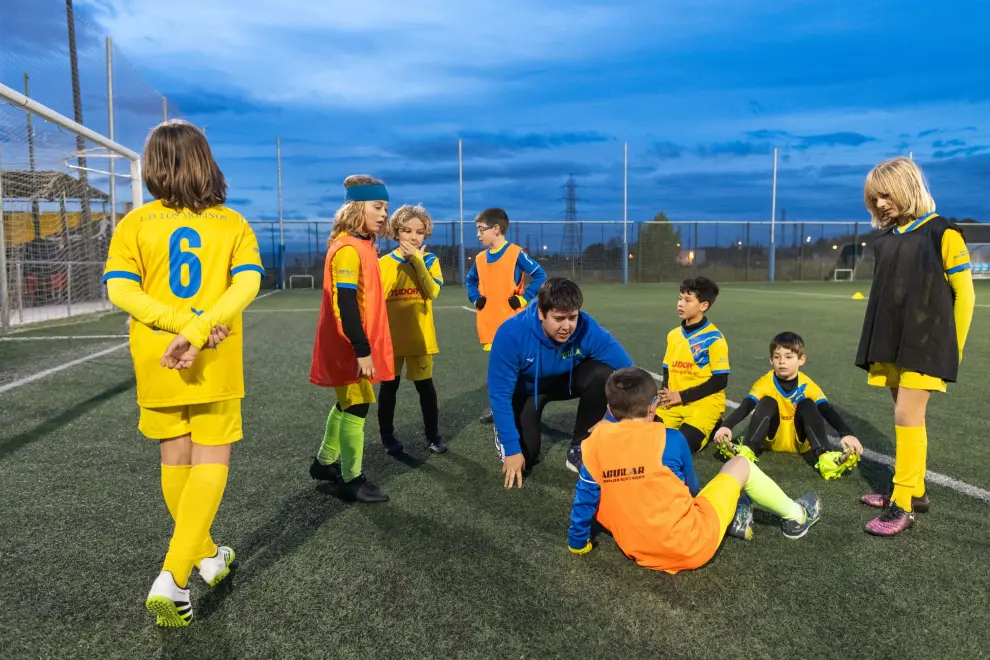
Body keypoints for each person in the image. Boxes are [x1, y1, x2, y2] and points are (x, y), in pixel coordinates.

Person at [103, 120, 264, 627]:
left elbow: (120, 290)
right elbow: (247, 285)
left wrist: (177, 326)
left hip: (157, 354)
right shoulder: (232, 223)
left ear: (152, 166)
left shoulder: (135, 223)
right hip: (213, 353)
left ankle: (208, 556)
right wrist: (199, 329)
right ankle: (172, 578)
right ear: (205, 162)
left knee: (175, 457)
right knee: (211, 455)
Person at [567, 368, 821, 573]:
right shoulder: (671, 439)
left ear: (609, 409)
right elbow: (692, 489)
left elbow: (584, 499)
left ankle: (733, 514)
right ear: (654, 406)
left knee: (605, 489)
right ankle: (798, 516)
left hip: (635, 547)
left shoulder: (593, 444)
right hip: (692, 545)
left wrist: (578, 543)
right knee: (740, 465)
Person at [855, 157, 975, 536]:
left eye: (886, 195)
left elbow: (965, 295)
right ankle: (915, 490)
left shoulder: (943, 232)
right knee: (908, 417)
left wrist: (953, 349)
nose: (880, 204)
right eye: (874, 199)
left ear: (907, 188)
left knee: (907, 416)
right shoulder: (886, 240)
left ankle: (903, 504)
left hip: (928, 344)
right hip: (894, 343)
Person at [487, 277, 633, 486]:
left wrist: (617, 416)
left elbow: (629, 372)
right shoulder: (511, 334)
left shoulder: (587, 328)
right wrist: (511, 449)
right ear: (541, 312)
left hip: (564, 382)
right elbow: (499, 395)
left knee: (603, 373)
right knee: (526, 457)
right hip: (527, 392)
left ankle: (580, 448)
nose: (567, 326)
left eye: (572, 317)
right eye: (559, 318)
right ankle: (505, 430)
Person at [309, 175, 394, 504]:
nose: (384, 214)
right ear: (357, 208)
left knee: (347, 403)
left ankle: (323, 463)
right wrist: (361, 349)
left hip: (352, 342)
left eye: (385, 208)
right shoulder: (348, 248)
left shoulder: (362, 244)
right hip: (349, 344)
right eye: (378, 206)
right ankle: (351, 480)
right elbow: (345, 303)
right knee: (357, 407)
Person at [713, 331, 864, 479]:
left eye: (789, 357)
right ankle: (747, 452)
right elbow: (747, 405)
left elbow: (826, 410)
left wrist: (847, 433)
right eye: (776, 357)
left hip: (801, 443)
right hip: (772, 441)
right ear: (771, 360)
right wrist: (726, 426)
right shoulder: (764, 382)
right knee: (767, 401)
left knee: (808, 404)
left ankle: (825, 457)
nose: (782, 361)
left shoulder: (808, 385)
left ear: (801, 360)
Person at [465, 208, 546, 423]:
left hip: (513, 323)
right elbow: (470, 281)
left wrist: (524, 298)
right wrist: (475, 298)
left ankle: (525, 409)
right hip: (490, 324)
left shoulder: (515, 253)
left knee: (519, 369)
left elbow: (540, 275)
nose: (478, 234)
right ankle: (500, 410)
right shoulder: (480, 258)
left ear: (496, 229)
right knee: (498, 370)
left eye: (481, 229)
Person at [377, 204, 446, 455]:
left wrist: (417, 262)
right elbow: (376, 301)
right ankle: (387, 436)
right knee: (388, 389)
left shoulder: (430, 260)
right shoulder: (383, 263)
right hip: (391, 341)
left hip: (420, 339)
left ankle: (433, 436)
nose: (413, 237)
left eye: (419, 232)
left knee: (425, 389)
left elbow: (432, 292)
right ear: (396, 232)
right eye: (407, 231)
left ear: (426, 234)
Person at [657, 277, 729, 452]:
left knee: (679, 447)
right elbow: (667, 369)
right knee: (647, 439)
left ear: (703, 306)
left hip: (703, 404)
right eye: (680, 298)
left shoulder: (714, 338)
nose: (680, 304)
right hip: (674, 403)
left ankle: (712, 424)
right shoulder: (673, 335)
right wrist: (664, 395)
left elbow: (720, 380)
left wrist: (682, 396)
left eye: (687, 300)